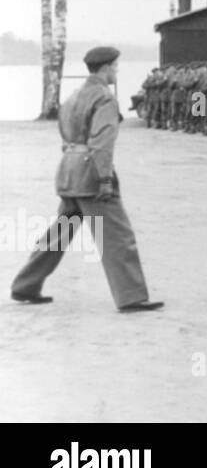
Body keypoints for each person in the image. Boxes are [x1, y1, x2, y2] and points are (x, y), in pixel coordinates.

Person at [10, 46, 163, 312]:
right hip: (92, 174)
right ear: (105, 69)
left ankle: (25, 286)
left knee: (58, 233)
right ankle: (131, 297)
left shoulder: (73, 96)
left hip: (69, 172)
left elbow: (65, 134)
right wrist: (104, 179)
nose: (116, 71)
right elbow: (102, 143)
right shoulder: (104, 98)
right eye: (115, 67)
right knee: (116, 235)